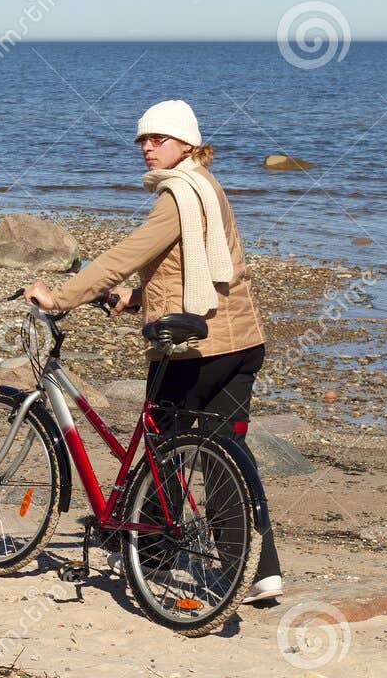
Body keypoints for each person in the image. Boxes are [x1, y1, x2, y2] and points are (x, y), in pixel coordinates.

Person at [23, 98, 282, 604]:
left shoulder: (176, 197)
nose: (146, 147)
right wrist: (138, 297)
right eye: (142, 139)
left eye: (158, 138)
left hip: (194, 347)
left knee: (166, 440)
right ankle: (258, 571)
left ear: (186, 143)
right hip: (241, 339)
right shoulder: (207, 188)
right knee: (225, 452)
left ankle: (154, 552)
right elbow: (203, 269)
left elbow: (130, 252)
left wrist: (62, 295)